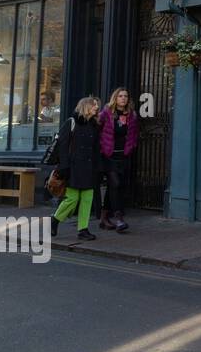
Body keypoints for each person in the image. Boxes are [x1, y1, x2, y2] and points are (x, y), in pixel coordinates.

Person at [50, 96, 103, 241]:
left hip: (89, 168)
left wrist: (98, 168)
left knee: (87, 199)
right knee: (72, 199)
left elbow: (96, 149)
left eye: (97, 105)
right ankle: (54, 220)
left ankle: (83, 230)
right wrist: (64, 167)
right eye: (94, 105)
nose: (97, 107)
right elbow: (62, 146)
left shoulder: (95, 125)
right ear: (85, 106)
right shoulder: (71, 122)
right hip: (73, 167)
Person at [98, 87, 139, 233]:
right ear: (115, 98)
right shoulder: (107, 113)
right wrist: (101, 147)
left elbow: (134, 134)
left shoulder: (132, 115)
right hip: (109, 156)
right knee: (115, 183)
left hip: (123, 156)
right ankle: (119, 218)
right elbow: (97, 129)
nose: (123, 98)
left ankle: (103, 218)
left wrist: (131, 147)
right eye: (120, 96)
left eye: (126, 96)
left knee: (115, 186)